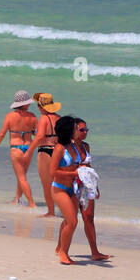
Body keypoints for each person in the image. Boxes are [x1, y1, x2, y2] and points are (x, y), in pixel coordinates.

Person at [0, 90, 38, 207]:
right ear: (25, 103)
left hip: (16, 148)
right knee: (22, 176)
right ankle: (17, 199)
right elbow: (37, 133)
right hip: (28, 147)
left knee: (21, 178)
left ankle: (32, 204)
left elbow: (2, 134)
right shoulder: (32, 117)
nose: (29, 104)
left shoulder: (10, 116)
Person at [72, 117, 109, 261]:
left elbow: (89, 168)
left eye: (86, 129)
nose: (85, 132)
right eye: (82, 130)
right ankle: (60, 247)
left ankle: (95, 251)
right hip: (72, 184)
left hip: (86, 186)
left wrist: (95, 186)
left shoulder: (86, 146)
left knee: (89, 218)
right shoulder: (68, 146)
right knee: (70, 219)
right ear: (73, 130)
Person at [49, 115, 84, 264]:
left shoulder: (75, 146)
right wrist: (73, 173)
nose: (78, 130)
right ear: (69, 130)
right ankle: (64, 253)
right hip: (60, 188)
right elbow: (53, 171)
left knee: (67, 221)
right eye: (76, 128)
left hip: (73, 188)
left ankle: (59, 247)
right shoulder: (59, 148)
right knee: (72, 222)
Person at [30, 92, 62, 217]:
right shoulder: (59, 118)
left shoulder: (43, 118)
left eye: (38, 106)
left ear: (42, 107)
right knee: (58, 183)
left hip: (45, 151)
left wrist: (29, 151)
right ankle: (67, 209)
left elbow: (40, 136)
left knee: (47, 184)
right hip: (58, 151)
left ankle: (51, 212)